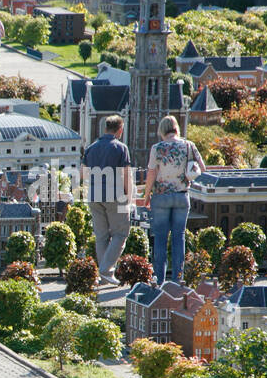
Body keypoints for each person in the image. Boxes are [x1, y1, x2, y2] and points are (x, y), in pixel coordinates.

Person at [142, 114, 206, 284]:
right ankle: (179, 280)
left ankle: (159, 281)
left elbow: (151, 173)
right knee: (179, 237)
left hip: (161, 197)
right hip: (181, 196)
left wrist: (147, 195)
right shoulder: (188, 145)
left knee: (160, 238)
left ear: (162, 131)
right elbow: (202, 167)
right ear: (176, 129)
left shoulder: (157, 148)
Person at [81, 114, 134, 287]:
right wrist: (129, 198)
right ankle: (105, 270)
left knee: (101, 236)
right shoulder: (120, 148)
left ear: (105, 128)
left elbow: (83, 174)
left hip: (94, 196)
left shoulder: (91, 148)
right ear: (120, 130)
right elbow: (126, 175)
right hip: (115, 196)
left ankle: (104, 277)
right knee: (121, 233)